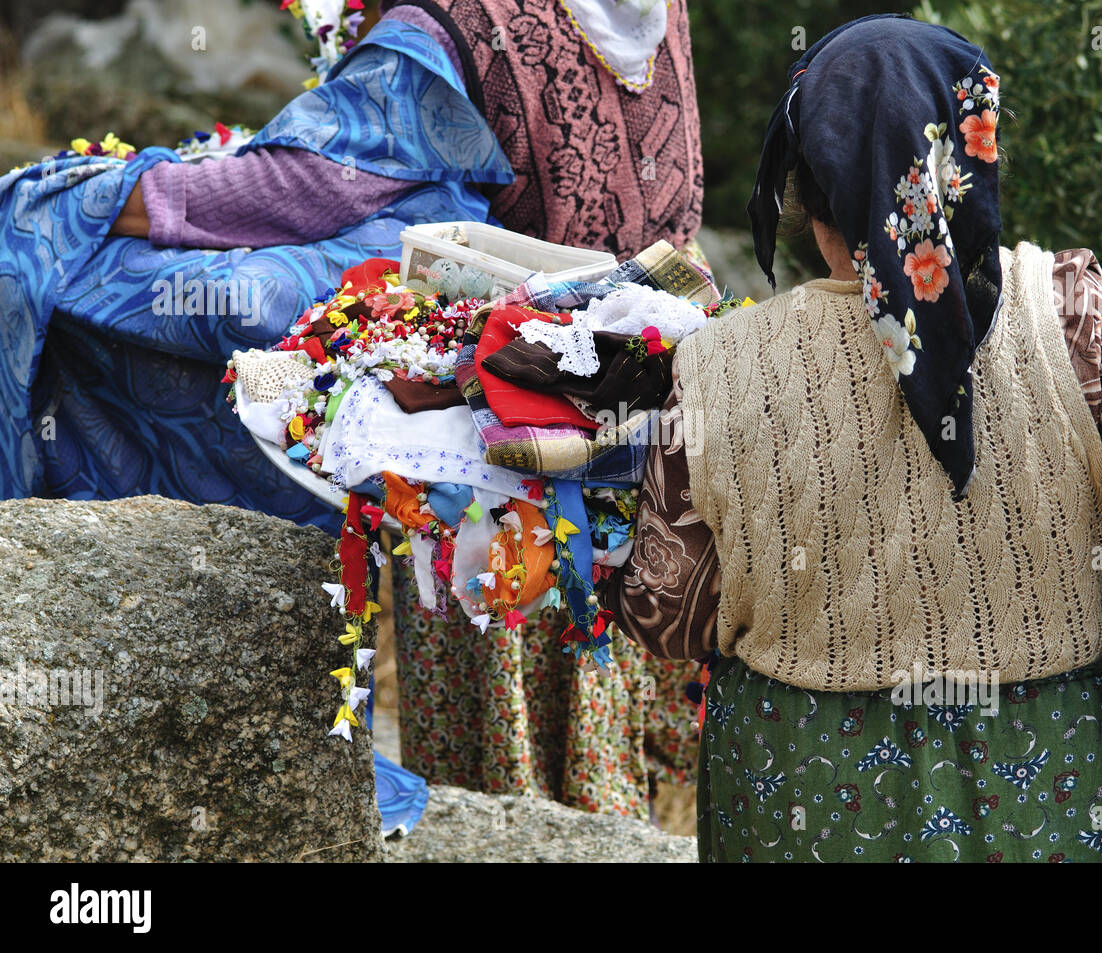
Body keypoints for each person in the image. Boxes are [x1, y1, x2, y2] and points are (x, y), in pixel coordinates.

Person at [5, 0, 704, 821]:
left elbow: (297, 184)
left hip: (490, 453)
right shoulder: (659, 16)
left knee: (493, 744)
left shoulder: (467, 19)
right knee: (587, 721)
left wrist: (78, 201)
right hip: (620, 436)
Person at [606, 14, 1102, 861]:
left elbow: (666, 620)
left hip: (802, 792)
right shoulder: (1078, 320)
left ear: (808, 190)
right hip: (1045, 792)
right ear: (973, 158)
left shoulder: (716, 367)